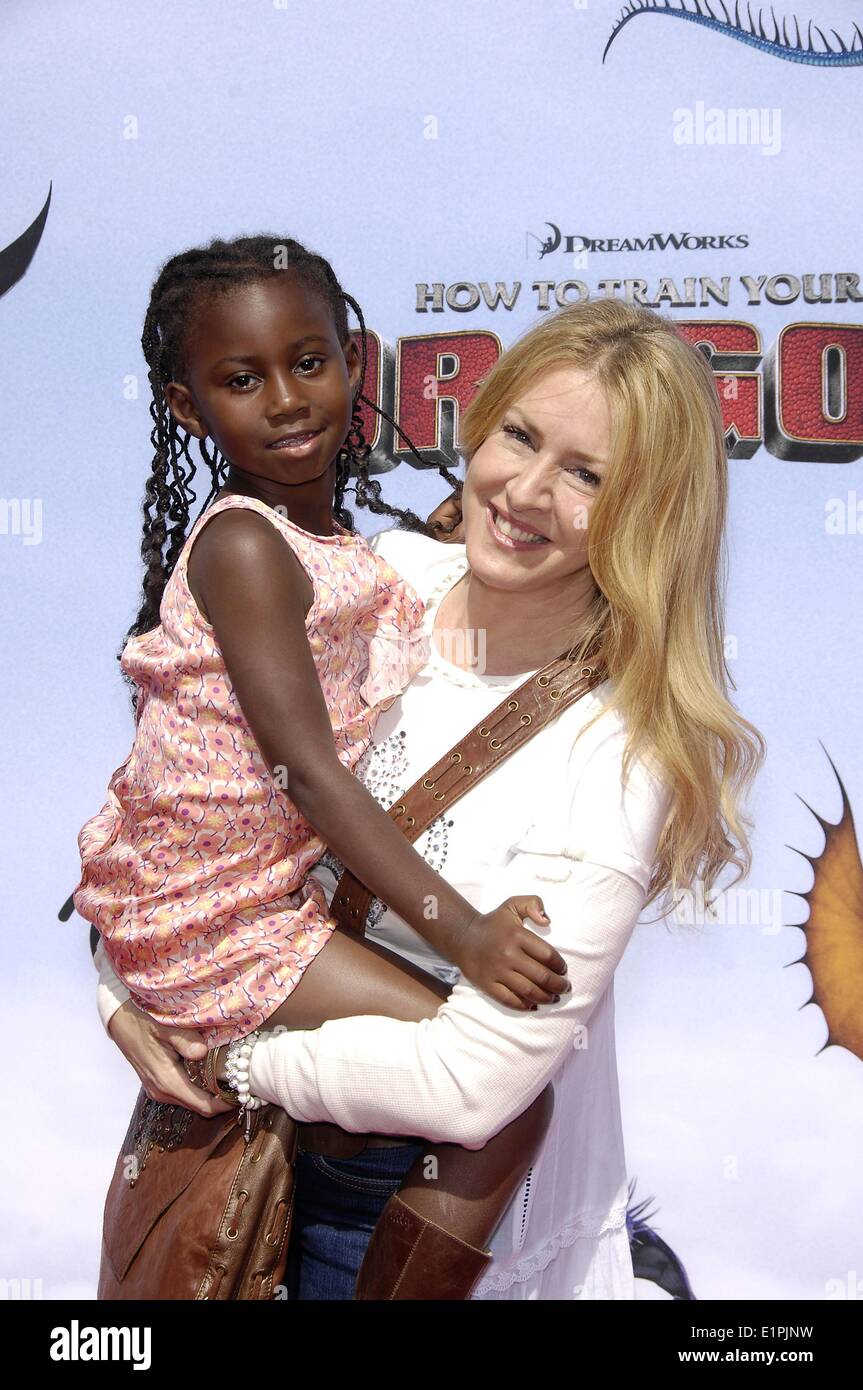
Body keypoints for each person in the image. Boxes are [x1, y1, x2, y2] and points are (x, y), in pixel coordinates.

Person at [94, 296, 765, 1299]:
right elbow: (180, 812)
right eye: (518, 437)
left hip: (409, 1218)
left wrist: (231, 1056)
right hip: (228, 1167)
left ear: (647, 514)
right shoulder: (368, 581)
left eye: (585, 474)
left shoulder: (622, 757)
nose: (525, 491)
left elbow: (473, 1084)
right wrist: (123, 992)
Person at [73, 233, 578, 1302]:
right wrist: (465, 931)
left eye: (309, 361)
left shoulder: (341, 542)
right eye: (239, 378)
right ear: (183, 404)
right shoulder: (244, 545)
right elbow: (307, 773)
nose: (287, 399)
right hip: (223, 921)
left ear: (353, 358)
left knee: (484, 1082)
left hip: (258, 902)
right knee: (486, 1076)